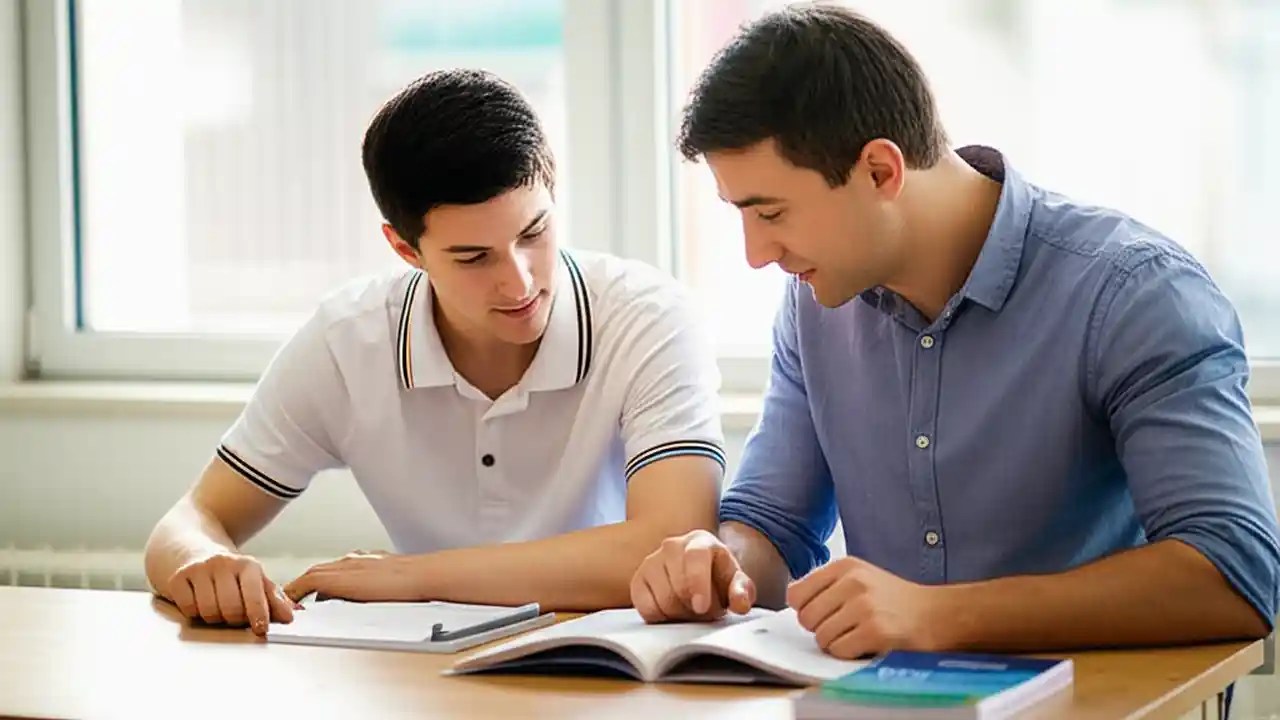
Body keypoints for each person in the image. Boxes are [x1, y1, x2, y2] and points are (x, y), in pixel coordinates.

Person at [631, 4, 1279, 658]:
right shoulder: (814, 307)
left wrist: (938, 616)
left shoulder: (1134, 293)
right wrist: (719, 566)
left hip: (1098, 697)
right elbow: (774, 525)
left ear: (880, 171)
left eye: (771, 213)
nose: (755, 254)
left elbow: (1236, 572)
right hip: (883, 698)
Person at [144, 69, 726, 636]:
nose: (519, 282)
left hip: (610, 663)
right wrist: (203, 561)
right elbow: (190, 521)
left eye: (533, 233)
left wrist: (412, 577)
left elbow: (669, 541)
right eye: (474, 258)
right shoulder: (348, 340)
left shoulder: (647, 318)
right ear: (405, 249)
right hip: (430, 669)